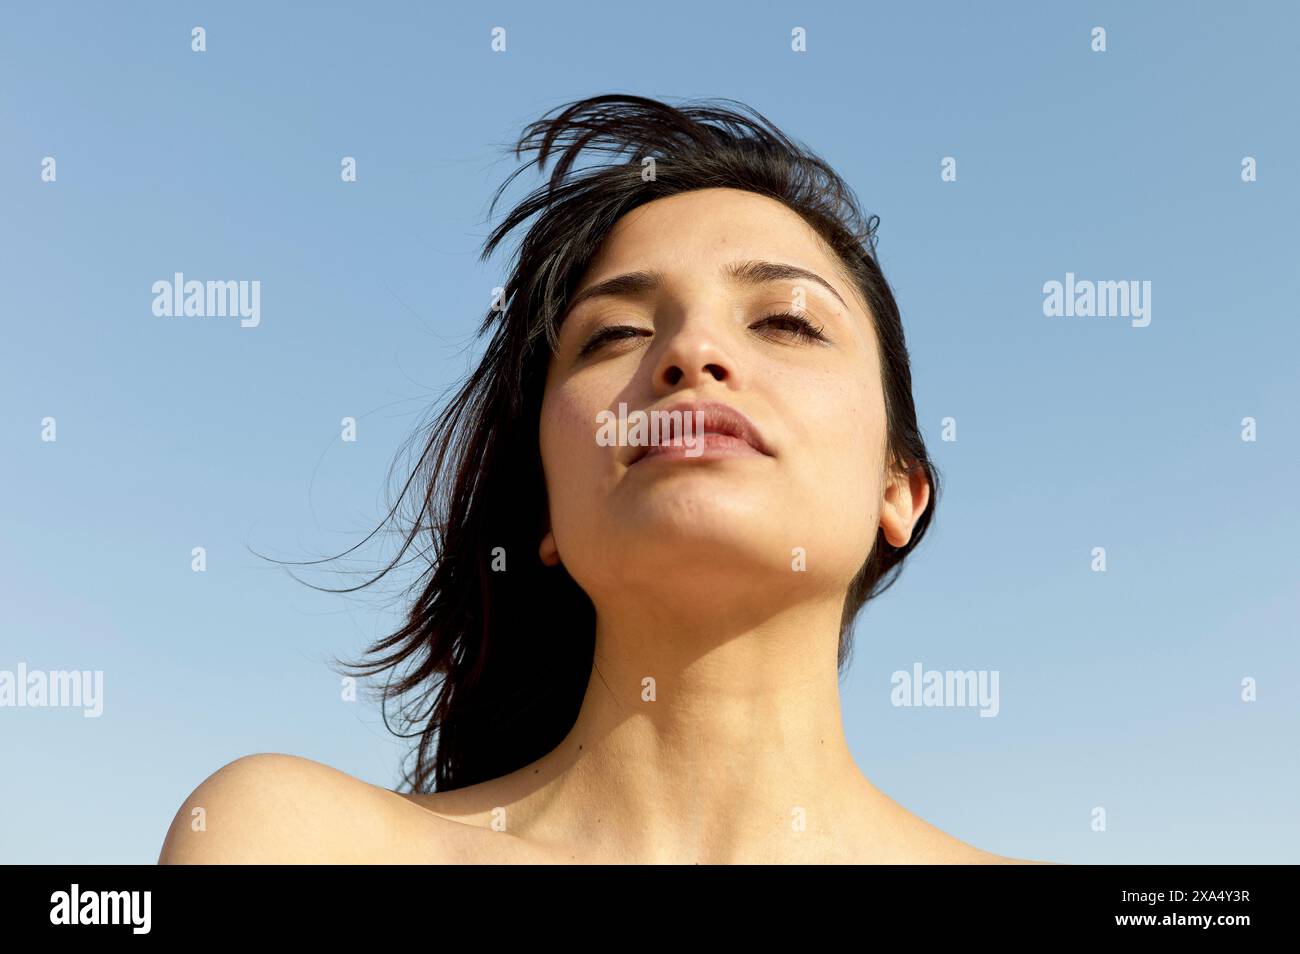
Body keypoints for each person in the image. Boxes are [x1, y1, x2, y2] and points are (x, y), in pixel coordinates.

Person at [159, 94, 1047, 864]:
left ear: (902, 488)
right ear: (545, 496)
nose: (691, 353)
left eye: (784, 321)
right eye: (614, 334)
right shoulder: (296, 845)